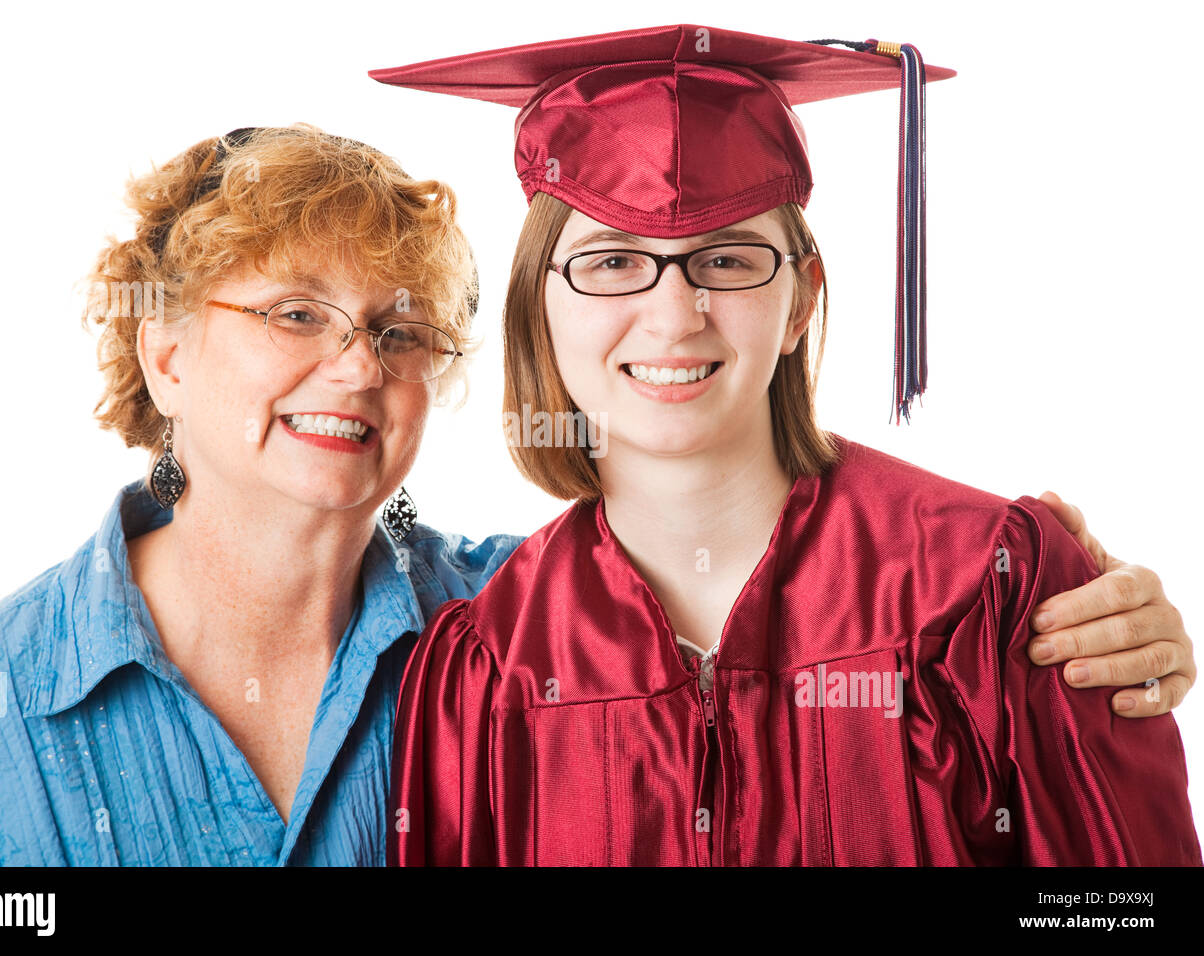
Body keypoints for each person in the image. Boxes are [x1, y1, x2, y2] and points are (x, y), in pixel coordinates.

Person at [374, 25, 1202, 865]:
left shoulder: (986, 591)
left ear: (801, 300)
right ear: (538, 304)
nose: (673, 315)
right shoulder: (491, 664)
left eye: (727, 260)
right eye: (613, 261)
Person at [0, 125, 523, 865]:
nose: (361, 367)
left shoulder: (533, 631)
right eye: (296, 314)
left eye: (400, 331)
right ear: (167, 360)